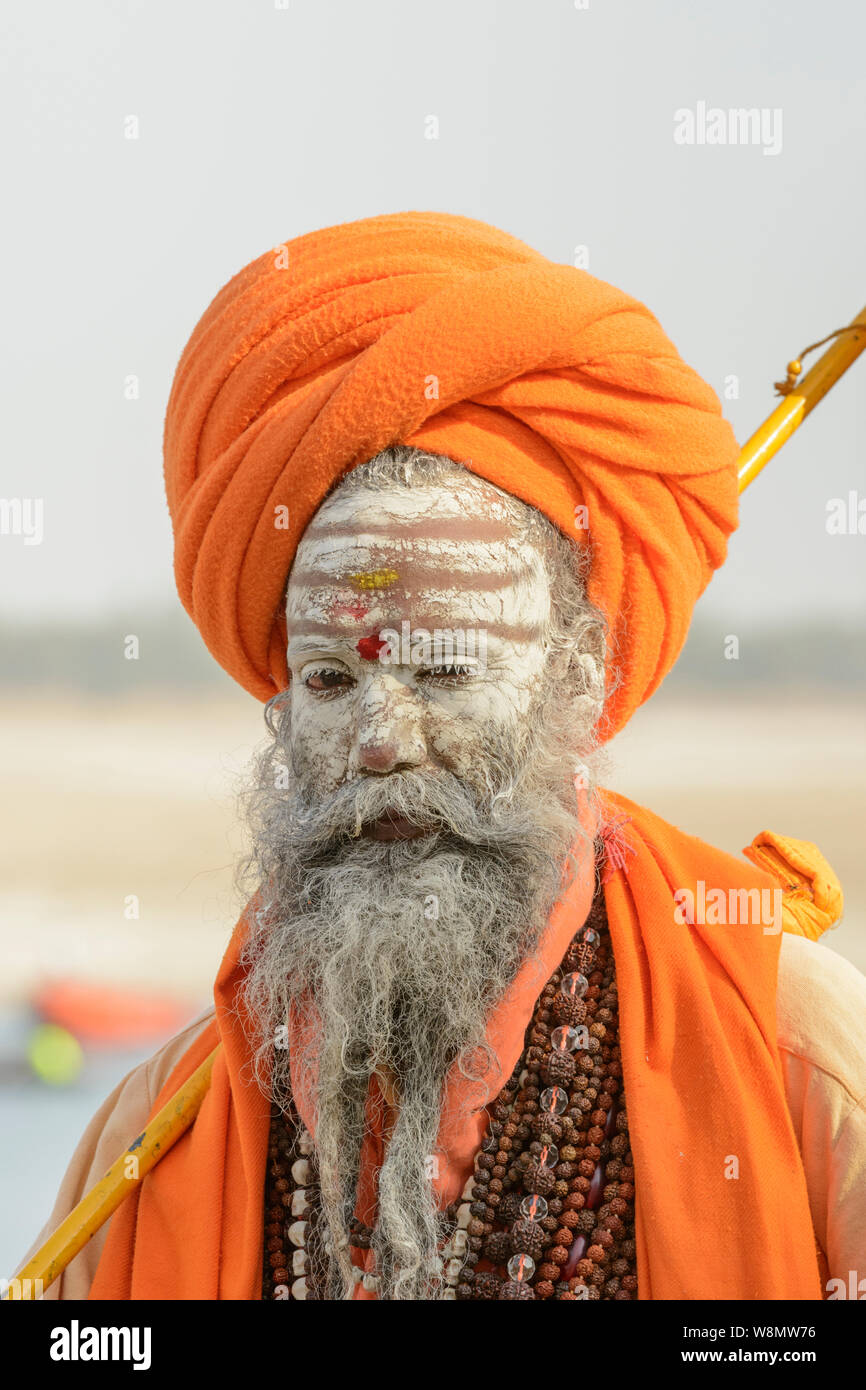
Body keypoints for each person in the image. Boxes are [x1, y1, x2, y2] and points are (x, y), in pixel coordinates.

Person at [22, 212, 866, 1301]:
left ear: (575, 681)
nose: (382, 739)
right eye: (330, 679)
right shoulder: (162, 1136)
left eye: (445, 672)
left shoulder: (791, 1056)